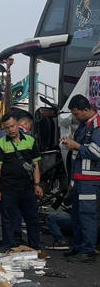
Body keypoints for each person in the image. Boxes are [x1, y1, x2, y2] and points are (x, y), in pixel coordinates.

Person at [0, 112, 43, 250]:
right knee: (7, 220)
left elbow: (36, 165)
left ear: (18, 125)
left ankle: (35, 246)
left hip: (27, 188)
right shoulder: (0, 145)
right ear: (4, 128)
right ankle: (10, 247)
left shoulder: (30, 141)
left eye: (13, 126)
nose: (11, 130)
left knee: (32, 218)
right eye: (7, 127)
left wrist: (37, 185)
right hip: (8, 188)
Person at [61, 94, 100, 262]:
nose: (75, 117)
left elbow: (96, 152)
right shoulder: (85, 125)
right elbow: (78, 153)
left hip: (91, 181)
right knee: (76, 215)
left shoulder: (97, 126)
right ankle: (78, 246)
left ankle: (88, 251)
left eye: (77, 114)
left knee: (88, 216)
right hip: (79, 179)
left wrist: (75, 145)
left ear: (86, 110)